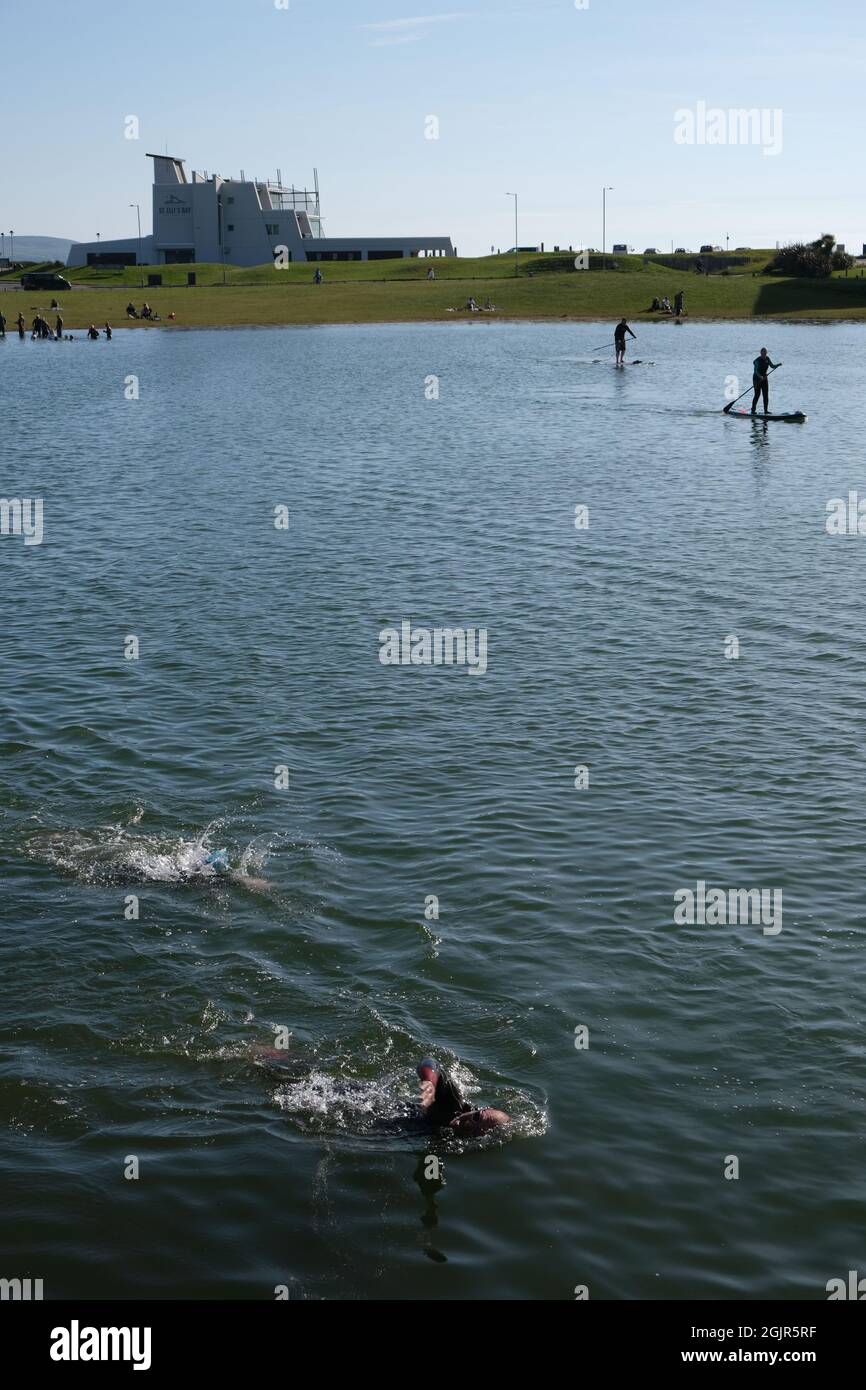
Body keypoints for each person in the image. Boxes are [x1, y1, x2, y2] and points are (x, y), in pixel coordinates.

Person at [417, 1058, 510, 1136]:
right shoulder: (451, 1106)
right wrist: (429, 1082)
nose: (467, 1122)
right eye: (476, 1116)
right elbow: (429, 1062)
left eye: (470, 1128)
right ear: (478, 1110)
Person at [751, 347, 781, 414]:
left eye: (765, 352)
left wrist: (778, 365)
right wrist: (760, 377)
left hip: (764, 379)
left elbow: (772, 366)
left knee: (766, 395)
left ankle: (766, 411)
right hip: (756, 379)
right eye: (763, 352)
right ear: (761, 353)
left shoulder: (767, 358)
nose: (764, 354)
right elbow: (755, 371)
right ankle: (753, 410)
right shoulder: (757, 361)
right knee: (757, 395)